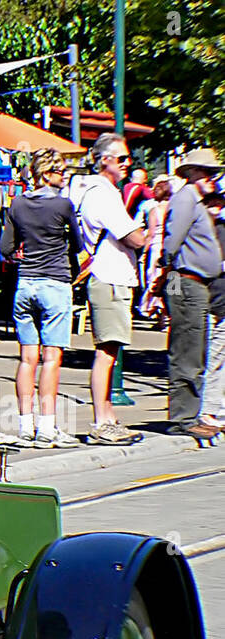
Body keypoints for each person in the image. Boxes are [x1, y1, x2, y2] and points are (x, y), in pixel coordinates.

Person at [0, 148, 82, 448]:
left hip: (26, 284)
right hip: (54, 283)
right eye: (60, 171)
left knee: (27, 358)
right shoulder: (63, 205)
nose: (64, 176)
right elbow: (77, 243)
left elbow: (6, 248)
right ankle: (47, 427)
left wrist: (24, 251)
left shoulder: (18, 203)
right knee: (51, 358)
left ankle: (25, 426)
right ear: (47, 173)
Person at [73, 133, 147, 445]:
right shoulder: (102, 194)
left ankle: (108, 418)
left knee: (110, 350)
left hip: (108, 276)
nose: (128, 164)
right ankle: (101, 422)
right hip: (110, 276)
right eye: (122, 159)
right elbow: (134, 237)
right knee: (106, 352)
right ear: (105, 160)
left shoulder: (93, 190)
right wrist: (147, 229)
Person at [155, 148, 224, 440]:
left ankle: (189, 415)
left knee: (195, 350)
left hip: (193, 283)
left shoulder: (193, 200)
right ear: (192, 172)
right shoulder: (185, 199)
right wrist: (169, 283)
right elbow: (172, 245)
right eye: (207, 172)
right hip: (188, 283)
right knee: (188, 352)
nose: (212, 178)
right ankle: (183, 418)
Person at [200, 191, 225, 431]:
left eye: (220, 203)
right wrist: (172, 299)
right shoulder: (193, 231)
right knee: (206, 359)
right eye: (211, 203)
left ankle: (214, 409)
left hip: (222, 303)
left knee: (218, 359)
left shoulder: (222, 230)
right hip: (201, 304)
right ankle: (204, 410)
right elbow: (171, 266)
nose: (216, 207)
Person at [137, 175, 172, 322]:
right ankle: (167, 314)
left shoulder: (154, 210)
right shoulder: (173, 207)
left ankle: (155, 310)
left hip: (157, 246)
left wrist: (143, 252)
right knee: (171, 279)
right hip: (170, 244)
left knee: (154, 278)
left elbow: (150, 233)